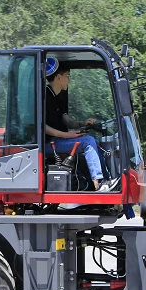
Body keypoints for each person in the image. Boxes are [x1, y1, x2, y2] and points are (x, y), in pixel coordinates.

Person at [44, 57, 119, 192]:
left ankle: (107, 179)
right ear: (58, 77)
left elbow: (66, 120)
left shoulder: (58, 96)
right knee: (88, 142)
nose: (69, 80)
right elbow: (42, 127)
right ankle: (99, 182)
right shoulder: (45, 96)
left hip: (59, 139)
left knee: (94, 142)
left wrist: (83, 124)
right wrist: (67, 135)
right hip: (49, 144)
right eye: (68, 76)